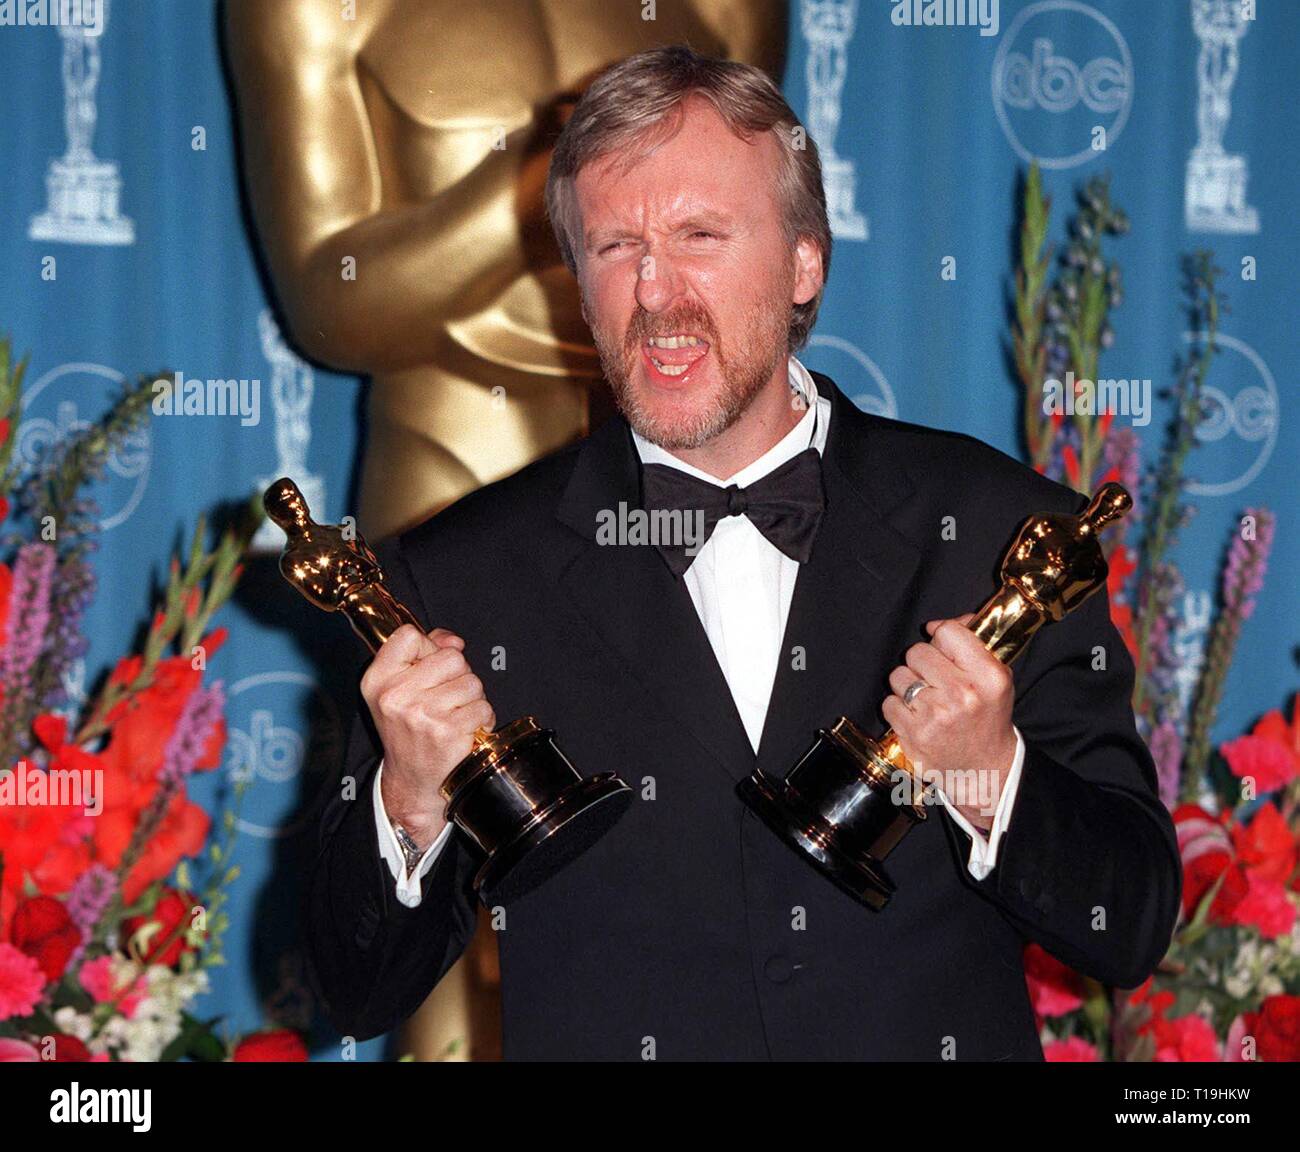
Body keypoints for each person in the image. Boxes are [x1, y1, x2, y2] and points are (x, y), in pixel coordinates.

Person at [304, 46, 1181, 1061]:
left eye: (699, 236)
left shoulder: (999, 535)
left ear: (805, 262)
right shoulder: (460, 575)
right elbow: (358, 991)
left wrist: (991, 774)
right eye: (616, 246)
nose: (654, 292)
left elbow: (1130, 925)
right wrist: (409, 801)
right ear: (577, 285)